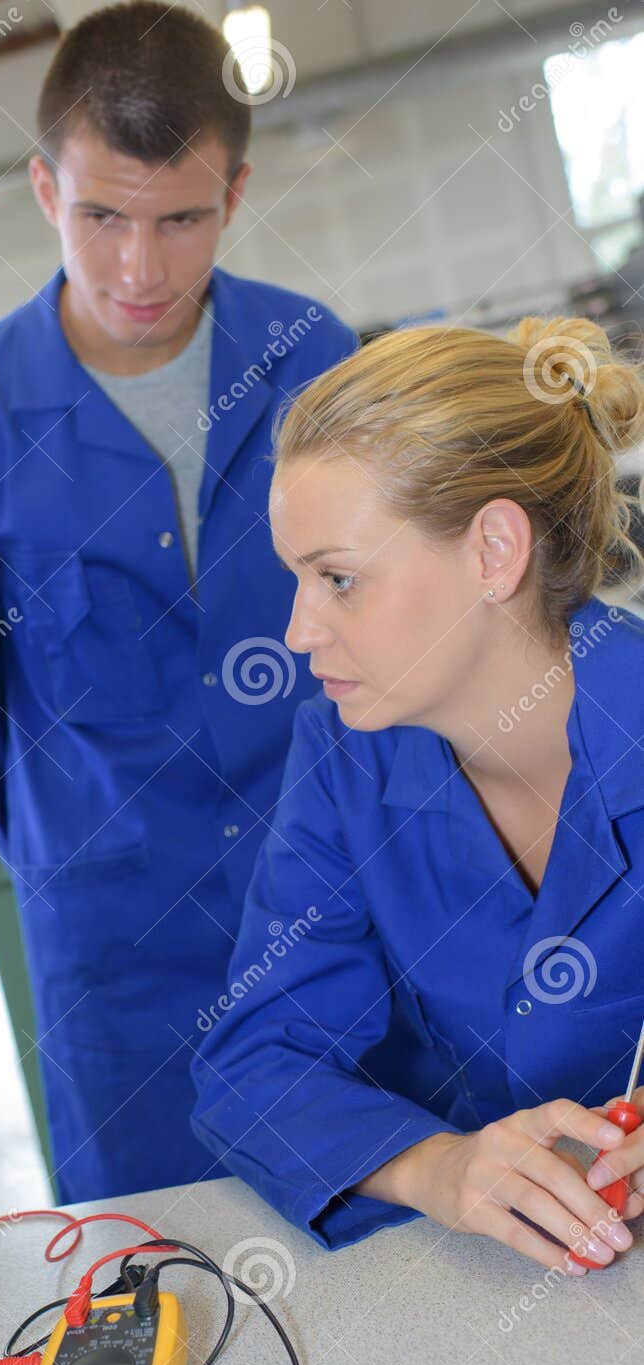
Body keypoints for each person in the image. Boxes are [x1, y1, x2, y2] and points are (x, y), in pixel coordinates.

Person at [0, 1, 356, 1203]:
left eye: (181, 219)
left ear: (237, 194)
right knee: (153, 1273)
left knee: (384, 1241)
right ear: (45, 188)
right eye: (102, 215)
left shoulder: (315, 357)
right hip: (112, 950)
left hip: (337, 899)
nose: (139, 269)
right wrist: (70, 853)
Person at [191, 312, 644, 1276]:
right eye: (297, 581)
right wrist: (437, 1168)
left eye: (339, 580)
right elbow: (254, 1062)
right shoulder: (348, 756)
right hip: (494, 1288)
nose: (299, 631)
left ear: (493, 552)